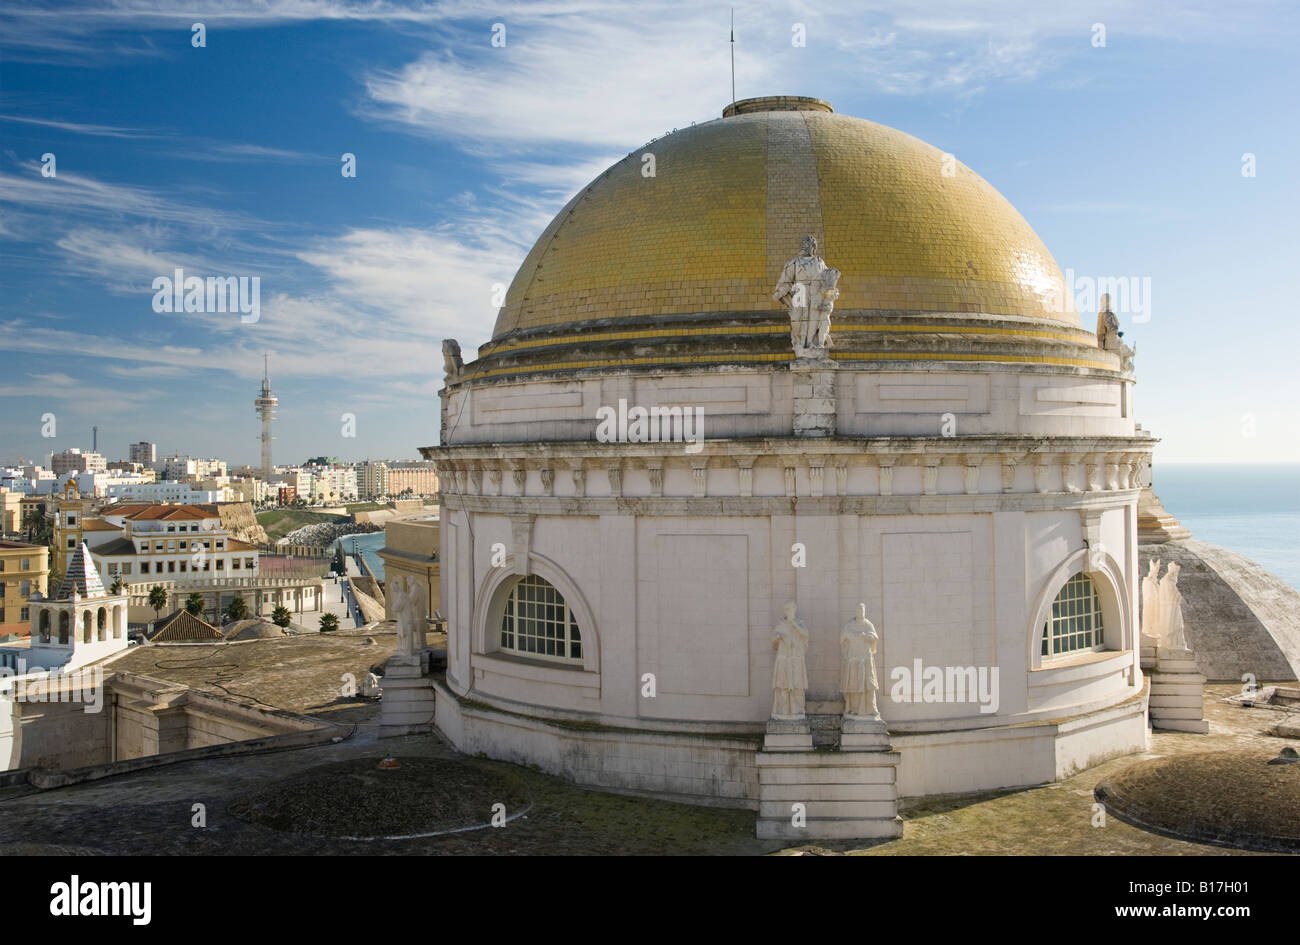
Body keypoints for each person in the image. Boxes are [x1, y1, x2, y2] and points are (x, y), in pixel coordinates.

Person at [771, 600, 810, 719]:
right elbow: (773, 641)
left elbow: (806, 636)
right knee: (782, 685)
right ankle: (782, 710)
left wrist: (795, 626)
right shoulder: (781, 624)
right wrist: (778, 638)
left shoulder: (799, 623)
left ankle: (796, 710)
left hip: (796, 659)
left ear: (794, 610)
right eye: (788, 610)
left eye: (792, 609)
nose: (790, 612)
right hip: (783, 659)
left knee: (797, 685)